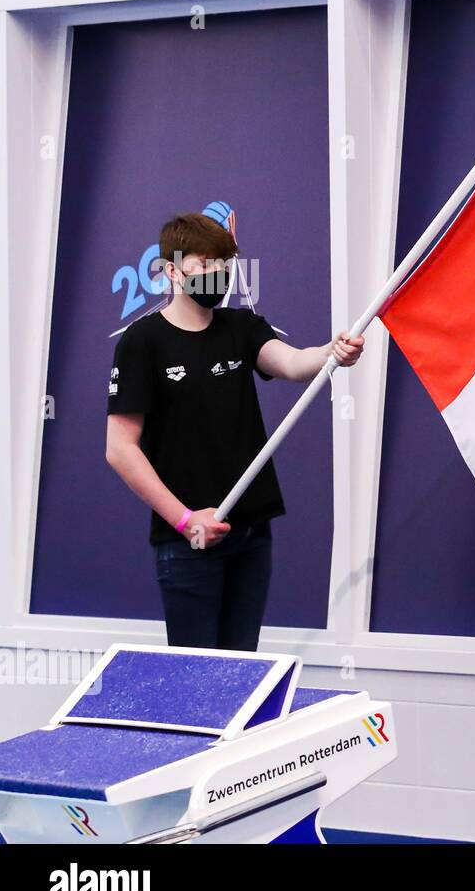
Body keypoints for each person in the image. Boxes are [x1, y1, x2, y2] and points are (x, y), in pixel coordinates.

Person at [106, 212, 364, 651]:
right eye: (203, 263)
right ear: (172, 270)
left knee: (241, 669)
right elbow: (120, 449)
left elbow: (292, 362)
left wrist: (332, 353)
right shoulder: (142, 342)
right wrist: (186, 520)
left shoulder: (241, 327)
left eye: (223, 262)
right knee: (198, 678)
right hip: (189, 542)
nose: (215, 273)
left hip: (250, 532)